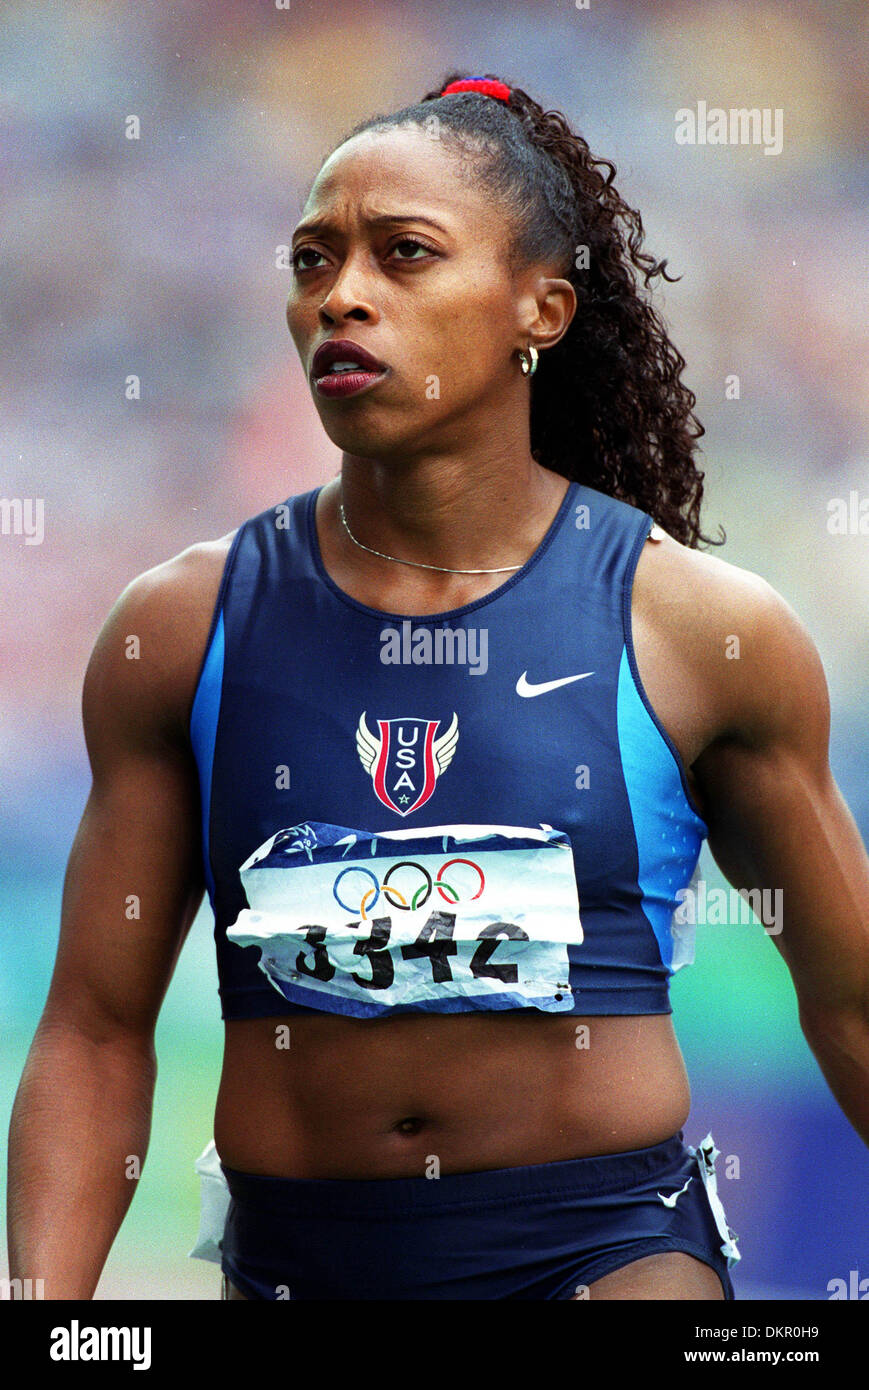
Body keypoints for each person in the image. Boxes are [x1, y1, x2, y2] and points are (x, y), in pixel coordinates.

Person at [8, 72, 869, 1303]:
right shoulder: (178, 629)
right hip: (297, 1265)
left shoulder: (699, 632)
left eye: (402, 255)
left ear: (541, 308)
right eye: (312, 259)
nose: (340, 295)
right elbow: (93, 1033)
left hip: (605, 1256)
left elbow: (849, 1004)